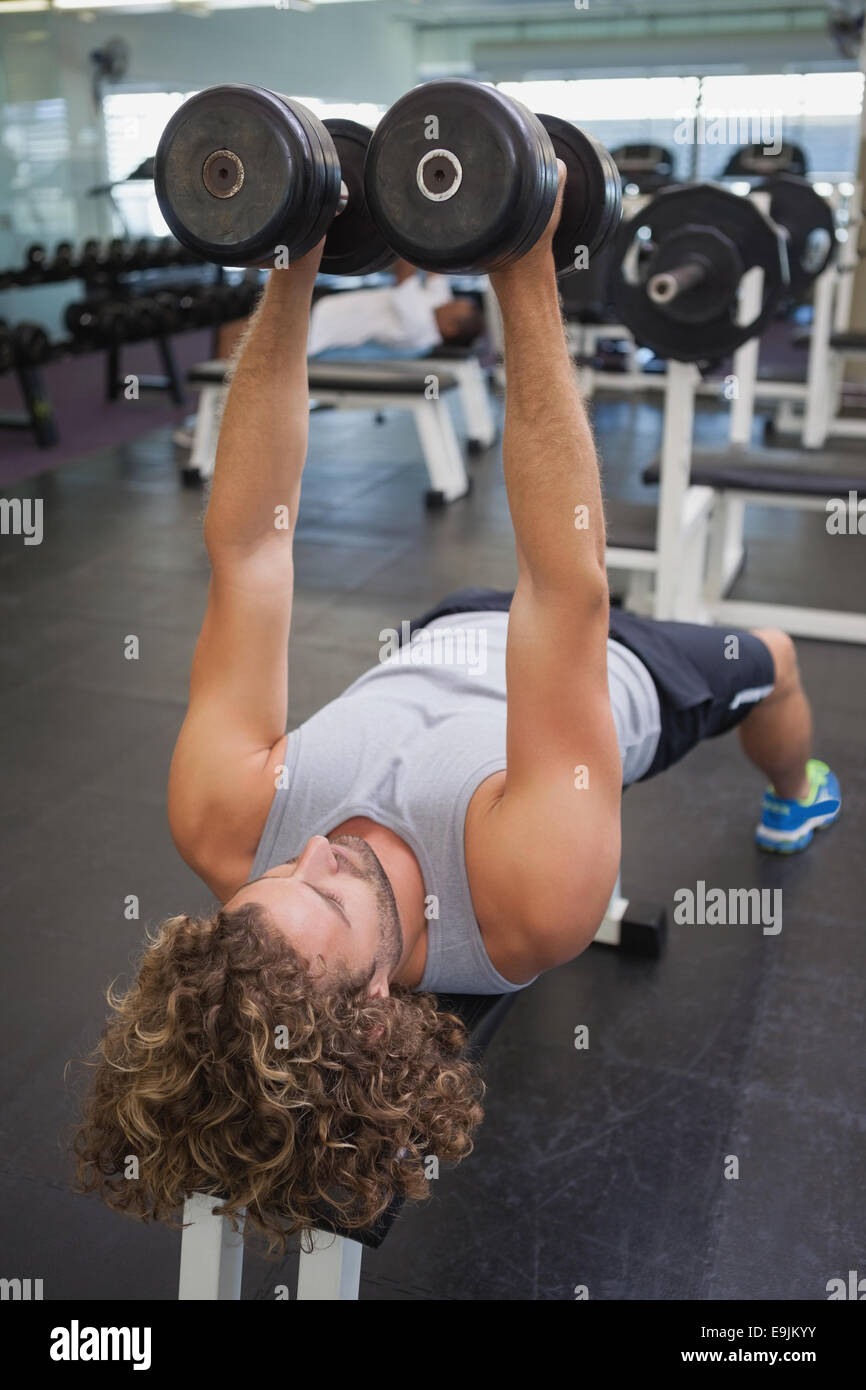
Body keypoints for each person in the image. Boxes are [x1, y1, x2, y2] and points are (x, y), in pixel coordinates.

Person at [73, 167, 840, 1252]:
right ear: (380, 1005)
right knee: (771, 654)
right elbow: (564, 591)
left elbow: (249, 547)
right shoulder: (530, 898)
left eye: (271, 885)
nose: (313, 856)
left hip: (446, 626)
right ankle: (796, 792)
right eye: (327, 901)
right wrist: (522, 261)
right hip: (614, 664)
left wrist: (290, 259)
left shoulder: (226, 827)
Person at [307, 259, 484, 360]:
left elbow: (404, 273)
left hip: (316, 329)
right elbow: (435, 268)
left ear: (450, 328)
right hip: (322, 308)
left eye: (453, 306)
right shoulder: (439, 306)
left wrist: (407, 225)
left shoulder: (420, 331)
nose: (449, 302)